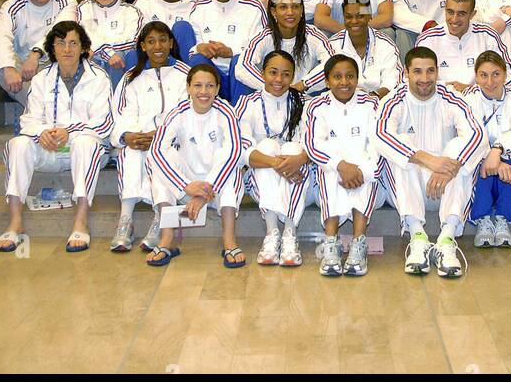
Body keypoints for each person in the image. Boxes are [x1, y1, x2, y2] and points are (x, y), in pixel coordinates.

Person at [0, 20, 114, 254]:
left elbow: (104, 122)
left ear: (83, 48)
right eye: (61, 43)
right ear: (52, 49)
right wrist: (42, 133)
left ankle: (80, 220)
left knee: (85, 142)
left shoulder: (99, 77)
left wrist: (68, 131)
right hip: (49, 150)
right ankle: (15, 222)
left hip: (84, 152)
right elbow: (28, 120)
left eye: (73, 43)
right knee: (17, 144)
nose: (67, 49)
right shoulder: (41, 79)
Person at [376, 47, 487, 278]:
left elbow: (478, 135)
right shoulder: (394, 100)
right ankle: (418, 238)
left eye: (430, 71)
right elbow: (380, 135)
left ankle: (447, 240)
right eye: (417, 71)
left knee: (459, 148)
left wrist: (447, 168)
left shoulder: (452, 97)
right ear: (406, 73)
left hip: (447, 185)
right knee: (400, 148)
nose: (424, 79)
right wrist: (428, 160)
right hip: (410, 187)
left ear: (438, 72)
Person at [145, 64, 246, 267]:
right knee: (160, 163)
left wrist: (204, 192)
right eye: (198, 85)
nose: (203, 92)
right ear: (188, 87)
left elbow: (235, 151)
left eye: (210, 86)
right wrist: (185, 186)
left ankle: (229, 241)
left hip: (216, 181)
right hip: (187, 181)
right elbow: (155, 150)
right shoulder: (177, 112)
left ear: (217, 89)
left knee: (232, 165)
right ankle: (167, 238)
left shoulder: (226, 111)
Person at [304, 54, 388, 277]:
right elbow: (312, 145)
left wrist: (361, 171)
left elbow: (378, 143)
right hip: (332, 176)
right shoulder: (316, 106)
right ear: (326, 80)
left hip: (366, 178)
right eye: (337, 77)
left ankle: (358, 245)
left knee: (364, 167)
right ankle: (331, 243)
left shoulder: (371, 103)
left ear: (357, 79)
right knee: (329, 170)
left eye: (350, 76)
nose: (344, 82)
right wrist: (341, 165)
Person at [109, 22, 190, 252]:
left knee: (163, 153)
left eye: (163, 40)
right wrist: (128, 136)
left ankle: (160, 219)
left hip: (174, 140)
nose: (158, 46)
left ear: (171, 43)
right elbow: (121, 115)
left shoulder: (185, 74)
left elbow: (189, 113)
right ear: (142, 46)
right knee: (129, 152)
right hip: (141, 138)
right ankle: (125, 221)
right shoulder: (130, 78)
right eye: (151, 41)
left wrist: (161, 135)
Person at [236, 51, 313, 266]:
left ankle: (289, 233)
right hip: (261, 174)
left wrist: (299, 158)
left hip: (300, 174)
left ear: (293, 76)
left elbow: (313, 142)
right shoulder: (247, 103)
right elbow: (241, 148)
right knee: (267, 146)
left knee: (292, 148)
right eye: (273, 72)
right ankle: (272, 232)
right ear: (262, 73)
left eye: (285, 74)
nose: (278, 80)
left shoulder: (306, 103)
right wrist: (275, 163)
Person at [461, 51, 511, 249]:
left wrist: (497, 151)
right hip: (480, 153)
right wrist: (489, 156)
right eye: (483, 75)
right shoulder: (468, 97)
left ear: (505, 74)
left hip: (506, 152)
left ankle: (502, 219)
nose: (490, 81)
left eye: (496, 74)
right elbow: (470, 133)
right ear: (476, 76)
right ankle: (482, 220)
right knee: (475, 161)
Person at [180, 0, 268, 102]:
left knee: (240, 61)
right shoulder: (199, 7)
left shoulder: (254, 6)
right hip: (212, 74)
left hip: (241, 75)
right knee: (197, 59)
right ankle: (202, 112)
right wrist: (201, 47)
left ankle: (240, 115)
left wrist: (231, 52)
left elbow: (262, 48)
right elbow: (192, 50)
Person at [0, 0, 75, 106]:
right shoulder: (12, 6)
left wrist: (35, 54)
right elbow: (1, 35)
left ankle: (45, 109)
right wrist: (9, 68)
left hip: (54, 62)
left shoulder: (65, 1)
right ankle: (40, 108)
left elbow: (60, 31)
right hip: (23, 68)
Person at [415, 0, 511, 92]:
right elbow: (414, 80)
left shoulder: (488, 35)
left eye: (461, 14)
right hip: (439, 102)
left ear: (472, 14)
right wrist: (445, 89)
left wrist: (472, 90)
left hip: (480, 101)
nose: (454, 19)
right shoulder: (427, 40)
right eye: (450, 12)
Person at [236, 0, 333, 98]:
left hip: (303, 96)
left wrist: (304, 84)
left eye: (295, 7)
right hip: (270, 96)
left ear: (302, 10)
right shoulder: (264, 37)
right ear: (273, 11)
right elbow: (243, 66)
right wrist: (274, 87)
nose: (290, 12)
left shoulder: (313, 35)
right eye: (283, 7)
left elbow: (332, 63)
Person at [58, 0, 142, 82]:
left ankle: (115, 99)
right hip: (92, 56)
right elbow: (84, 34)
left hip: (118, 60)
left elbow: (131, 40)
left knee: (120, 56)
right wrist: (108, 54)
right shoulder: (85, 7)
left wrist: (106, 53)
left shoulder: (131, 11)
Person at [327, 0, 402, 99]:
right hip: (342, 102)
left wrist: (370, 99)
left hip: (379, 102)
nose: (354, 21)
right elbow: (329, 82)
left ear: (369, 16)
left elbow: (392, 82)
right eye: (348, 17)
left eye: (360, 16)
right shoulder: (332, 46)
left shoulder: (385, 44)